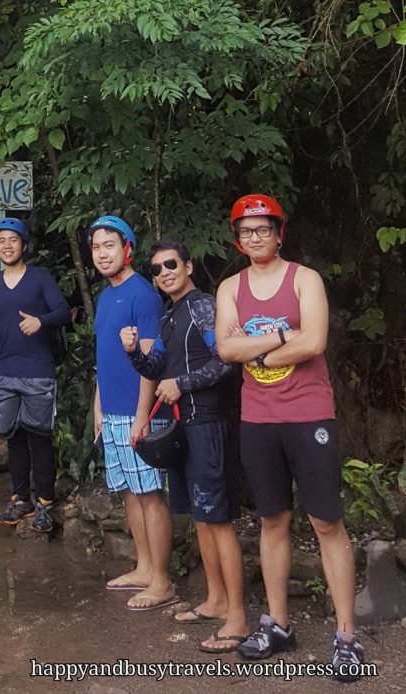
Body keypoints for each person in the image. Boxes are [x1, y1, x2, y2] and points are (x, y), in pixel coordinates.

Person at [215, 194, 364, 679]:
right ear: (237, 239)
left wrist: (254, 352)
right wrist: (284, 337)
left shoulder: (305, 279)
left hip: (309, 414)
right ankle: (278, 624)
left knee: (326, 523)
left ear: (280, 233)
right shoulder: (229, 288)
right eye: (246, 230)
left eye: (263, 229)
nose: (254, 237)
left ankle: (346, 636)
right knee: (272, 519)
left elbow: (315, 341)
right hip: (258, 419)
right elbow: (224, 348)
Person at [119, 239, 246, 652]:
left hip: (208, 423)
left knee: (218, 517)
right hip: (183, 427)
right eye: (155, 269)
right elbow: (157, 369)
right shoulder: (172, 315)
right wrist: (134, 352)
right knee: (201, 518)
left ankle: (236, 615)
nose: (164, 273)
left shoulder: (203, 306)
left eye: (170, 264)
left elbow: (227, 359)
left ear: (188, 266)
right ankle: (215, 600)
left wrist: (183, 385)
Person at [89, 215, 176, 611]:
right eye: (96, 246)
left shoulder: (143, 293)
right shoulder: (107, 296)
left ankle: (162, 581)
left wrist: (142, 416)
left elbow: (152, 359)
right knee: (129, 492)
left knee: (150, 495)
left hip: (140, 411)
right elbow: (104, 357)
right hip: (113, 411)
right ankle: (143, 568)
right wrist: (98, 406)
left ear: (127, 249)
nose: (102, 253)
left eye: (109, 244)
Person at [0, 217, 70, 533]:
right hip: (5, 373)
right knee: (13, 439)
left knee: (40, 438)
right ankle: (19, 498)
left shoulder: (40, 279)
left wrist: (41, 321)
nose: (7, 245)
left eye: (13, 240)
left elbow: (63, 312)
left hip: (38, 372)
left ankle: (44, 503)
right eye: (1, 241)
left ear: (24, 245)